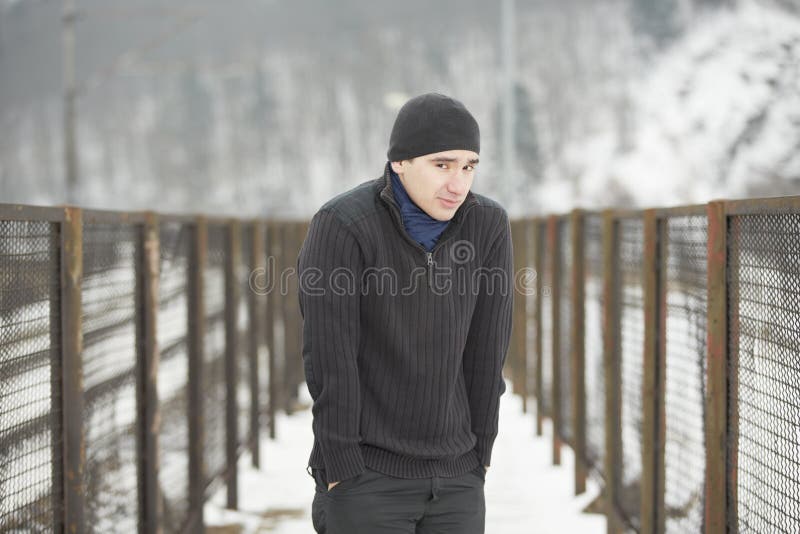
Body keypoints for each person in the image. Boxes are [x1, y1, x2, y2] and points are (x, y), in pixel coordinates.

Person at [297, 92, 513, 533]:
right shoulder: (343, 225)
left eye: (469, 166)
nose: (458, 183)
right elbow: (329, 357)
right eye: (442, 164)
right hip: (366, 479)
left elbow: (487, 352)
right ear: (400, 162)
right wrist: (341, 469)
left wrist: (480, 458)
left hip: (457, 479)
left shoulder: (488, 224)